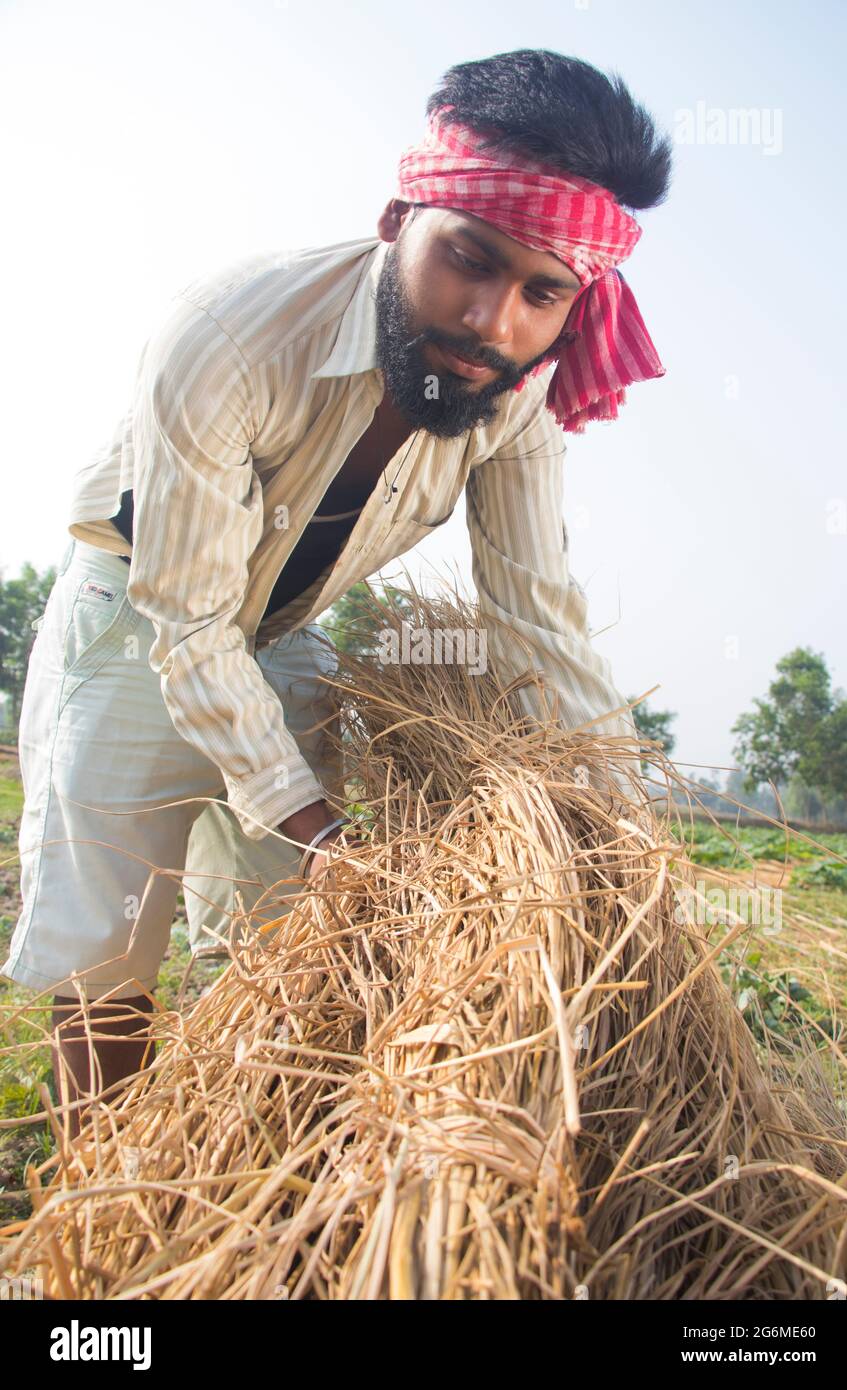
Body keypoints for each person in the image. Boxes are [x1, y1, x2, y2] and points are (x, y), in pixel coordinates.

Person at [1, 48, 672, 1134]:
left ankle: (233, 1175)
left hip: (281, 627)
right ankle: (104, 1197)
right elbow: (185, 619)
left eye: (541, 292)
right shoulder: (229, 335)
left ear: (571, 303)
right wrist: (324, 832)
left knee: (287, 933)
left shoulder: (516, 391)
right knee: (110, 949)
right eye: (467, 260)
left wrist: (617, 827)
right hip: (138, 611)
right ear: (397, 214)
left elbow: (534, 614)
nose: (492, 322)